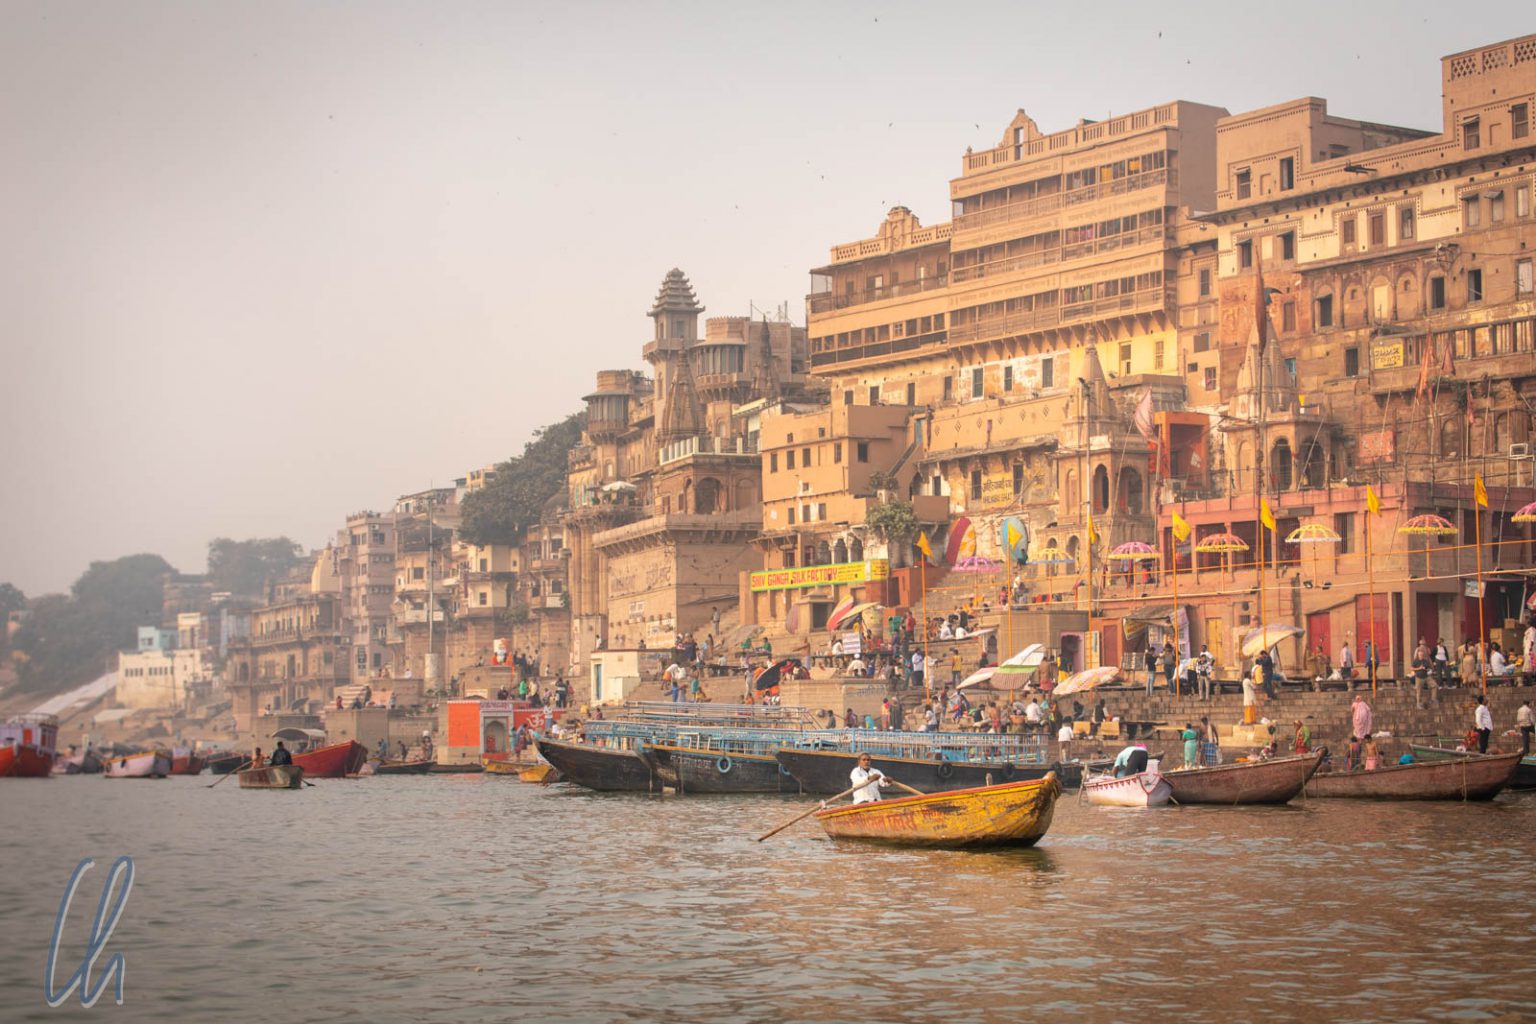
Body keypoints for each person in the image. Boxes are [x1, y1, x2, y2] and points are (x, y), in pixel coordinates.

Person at [1412, 640, 1433, 709]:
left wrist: (1428, 667)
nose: (1423, 645)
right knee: (1418, 690)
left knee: (1433, 684)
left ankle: (1433, 699)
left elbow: (1429, 655)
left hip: (1425, 674)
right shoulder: (1417, 650)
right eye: (1422, 644)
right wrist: (1419, 667)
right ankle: (1418, 703)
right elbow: (1415, 657)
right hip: (1419, 675)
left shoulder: (1427, 649)